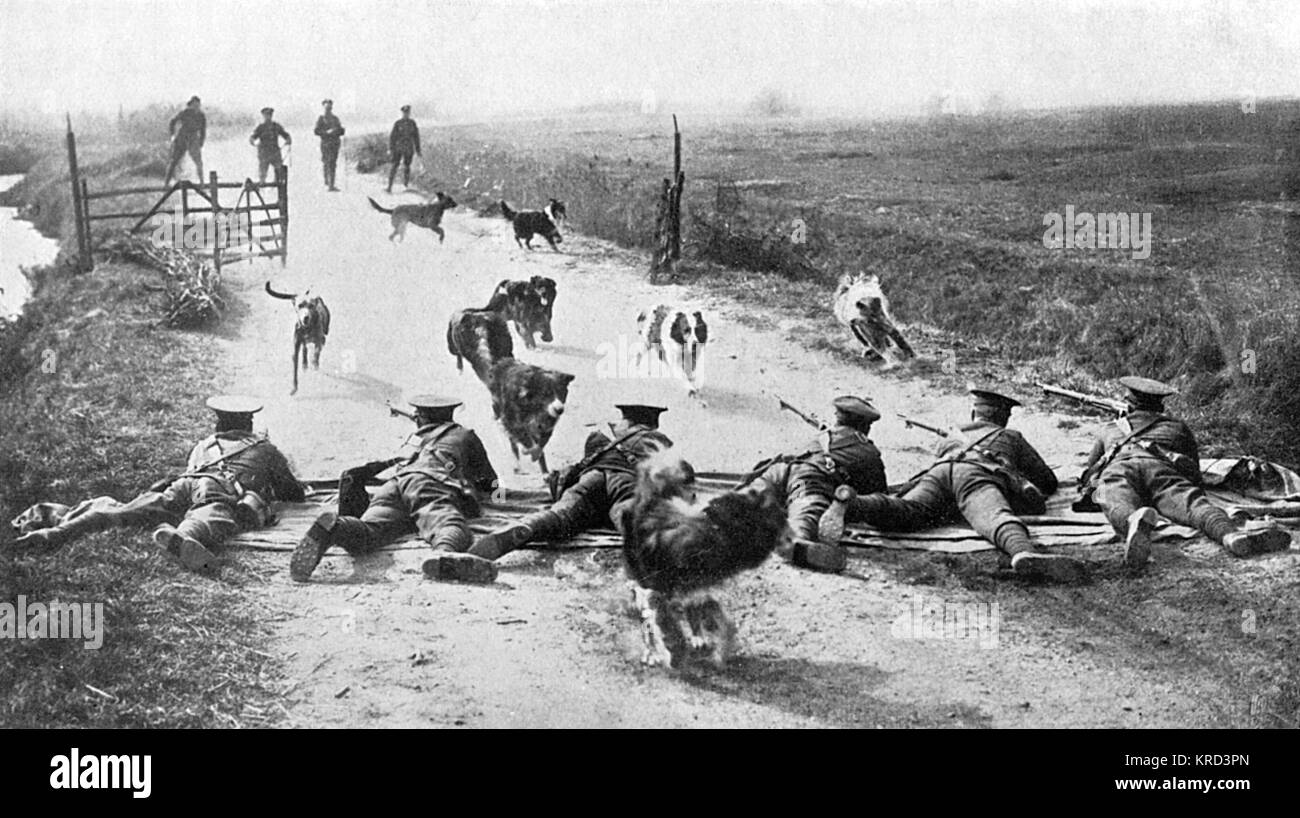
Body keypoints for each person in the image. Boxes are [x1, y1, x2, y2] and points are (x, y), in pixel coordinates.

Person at [819, 388, 1086, 583]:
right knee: (994, 516)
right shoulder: (1010, 436)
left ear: (974, 412)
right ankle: (1023, 553)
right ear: (1003, 417)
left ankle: (853, 503)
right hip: (977, 476)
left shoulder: (953, 433)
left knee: (908, 510)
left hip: (939, 472)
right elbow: (1048, 481)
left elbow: (944, 462)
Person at [13, 396, 305, 573]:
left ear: (219, 423)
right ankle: (180, 537)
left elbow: (194, 473)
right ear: (250, 423)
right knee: (211, 515)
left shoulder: (204, 444)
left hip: (183, 484)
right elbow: (293, 493)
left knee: (125, 512)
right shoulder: (265, 449)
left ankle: (57, 532)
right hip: (218, 490)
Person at [1080, 376, 1291, 568]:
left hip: (1120, 467)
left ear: (1129, 404)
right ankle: (1230, 535)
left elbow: (1091, 470)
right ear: (1160, 406)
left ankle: (1133, 521)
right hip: (1161, 467)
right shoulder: (1177, 427)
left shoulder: (1110, 428)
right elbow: (1194, 473)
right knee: (1194, 505)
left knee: (1114, 497)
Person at [290, 396, 499, 584]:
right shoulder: (464, 435)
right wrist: (497, 496)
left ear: (421, 418)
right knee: (450, 525)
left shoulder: (415, 439)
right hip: (428, 483)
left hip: (393, 486)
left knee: (369, 532)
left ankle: (336, 527)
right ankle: (444, 555)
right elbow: (488, 481)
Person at [466, 404, 673, 565]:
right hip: (627, 481)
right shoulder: (655, 439)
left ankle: (528, 527)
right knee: (629, 514)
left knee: (563, 512)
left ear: (626, 422)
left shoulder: (602, 440)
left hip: (591, 477)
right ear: (650, 424)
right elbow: (679, 473)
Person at [737, 396, 887, 573]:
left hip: (781, 471)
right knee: (806, 519)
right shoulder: (866, 450)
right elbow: (878, 492)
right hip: (810, 483)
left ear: (838, 418)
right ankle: (796, 544)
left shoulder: (824, 436)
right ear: (865, 425)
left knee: (746, 500)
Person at [164, 95, 206, 184]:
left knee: (198, 162)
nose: (196, 107)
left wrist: (201, 142)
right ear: (191, 105)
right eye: (194, 105)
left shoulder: (201, 116)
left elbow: (203, 130)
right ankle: (166, 183)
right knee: (174, 161)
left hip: (193, 139)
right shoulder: (185, 113)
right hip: (182, 138)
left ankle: (202, 183)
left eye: (198, 105)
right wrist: (172, 135)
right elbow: (173, 121)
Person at [250, 107, 292, 184]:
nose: (268, 117)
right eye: (266, 115)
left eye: (269, 115)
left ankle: (278, 187)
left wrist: (288, 140)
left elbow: (286, 135)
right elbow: (253, 137)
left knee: (279, 172)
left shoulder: (276, 126)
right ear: (263, 116)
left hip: (275, 153)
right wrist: (253, 142)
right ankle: (262, 187)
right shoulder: (261, 127)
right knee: (262, 175)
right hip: (264, 154)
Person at [386, 104, 421, 193]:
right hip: (398, 148)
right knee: (394, 166)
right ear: (402, 113)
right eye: (404, 112)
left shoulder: (412, 123)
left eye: (407, 112)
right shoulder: (398, 123)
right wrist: (390, 148)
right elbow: (392, 137)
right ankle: (389, 186)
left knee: (407, 167)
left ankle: (405, 185)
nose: (406, 114)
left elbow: (416, 137)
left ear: (409, 113)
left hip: (409, 148)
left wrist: (418, 150)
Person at [313, 98, 346, 191]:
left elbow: (340, 130)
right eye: (326, 108)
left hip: (335, 143)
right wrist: (326, 132)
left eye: (329, 108)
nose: (328, 110)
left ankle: (331, 184)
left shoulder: (335, 119)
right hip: (325, 143)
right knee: (326, 162)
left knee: (332, 163)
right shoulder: (321, 119)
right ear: (324, 108)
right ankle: (327, 181)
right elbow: (316, 131)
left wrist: (340, 130)